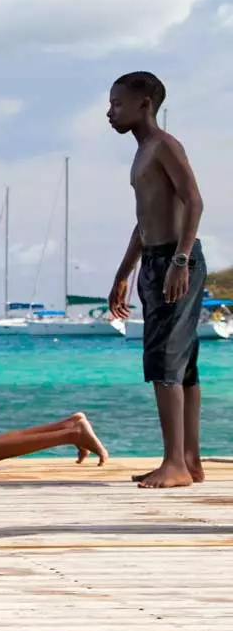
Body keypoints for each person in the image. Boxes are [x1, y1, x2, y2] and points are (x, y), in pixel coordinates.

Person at [105, 71, 208, 489]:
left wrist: (180, 260)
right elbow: (142, 221)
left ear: (144, 104)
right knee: (180, 363)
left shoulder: (165, 146)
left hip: (174, 260)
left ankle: (175, 465)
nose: (109, 112)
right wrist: (123, 272)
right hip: (153, 260)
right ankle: (189, 461)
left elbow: (194, 200)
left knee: (165, 359)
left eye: (117, 104)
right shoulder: (142, 152)